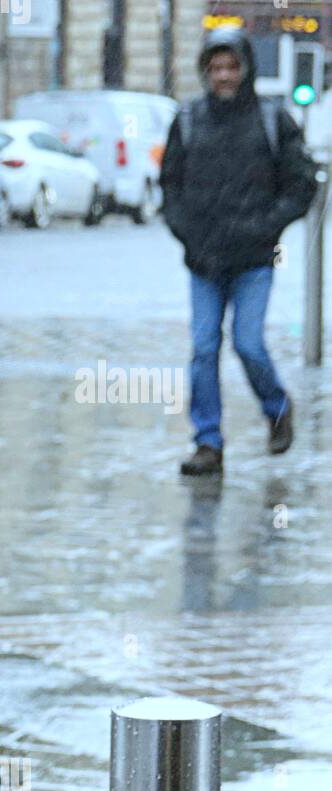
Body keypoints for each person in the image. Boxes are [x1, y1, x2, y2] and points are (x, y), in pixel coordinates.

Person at [159, 25, 317, 477]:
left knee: (248, 344)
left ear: (245, 70)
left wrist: (265, 228)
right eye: (216, 68)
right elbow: (170, 185)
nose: (224, 76)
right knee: (203, 347)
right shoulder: (188, 120)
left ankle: (277, 407)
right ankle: (207, 441)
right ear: (205, 72)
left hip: (253, 260)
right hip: (204, 261)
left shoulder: (271, 120)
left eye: (231, 67)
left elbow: (301, 184)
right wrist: (188, 233)